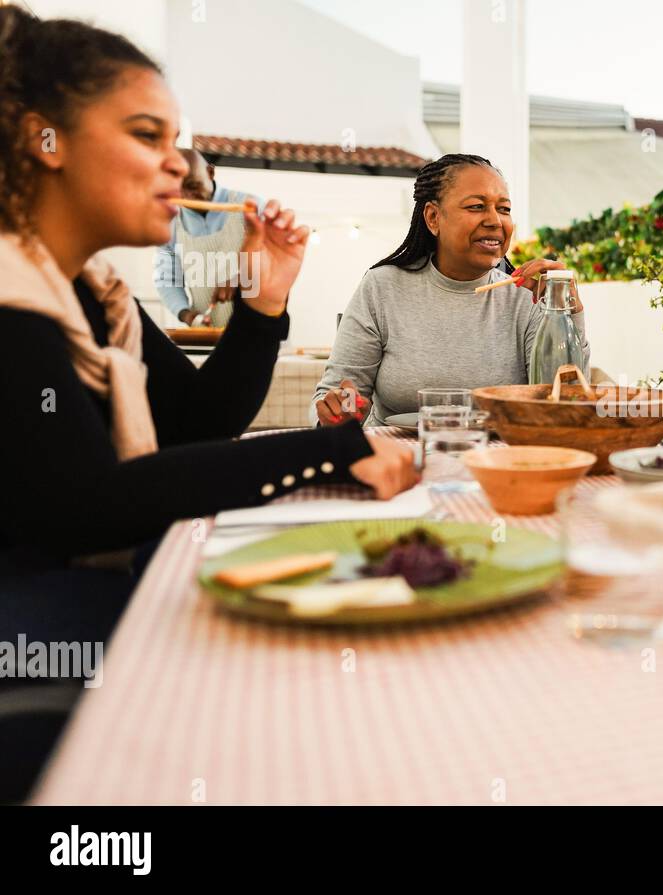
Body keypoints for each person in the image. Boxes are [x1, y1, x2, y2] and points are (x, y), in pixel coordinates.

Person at [0, 9, 419, 616]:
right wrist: (328, 452)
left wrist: (261, 302)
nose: (177, 163)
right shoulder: (13, 296)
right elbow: (86, 509)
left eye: (174, 140)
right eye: (147, 136)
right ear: (48, 141)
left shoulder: (95, 294)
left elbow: (199, 420)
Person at [313, 154, 589, 427]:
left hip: (496, 459)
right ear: (433, 217)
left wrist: (567, 312)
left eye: (504, 209)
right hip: (395, 457)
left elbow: (564, 403)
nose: (495, 220)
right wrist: (338, 411)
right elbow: (337, 395)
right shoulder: (382, 287)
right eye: (477, 206)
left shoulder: (528, 295)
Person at [154, 148, 263, 327]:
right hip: (208, 337)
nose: (187, 196)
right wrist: (187, 315)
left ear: (210, 172)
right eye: (177, 189)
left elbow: (275, 264)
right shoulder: (169, 223)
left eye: (193, 186)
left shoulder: (251, 207)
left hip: (259, 332)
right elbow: (167, 279)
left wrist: (241, 280)